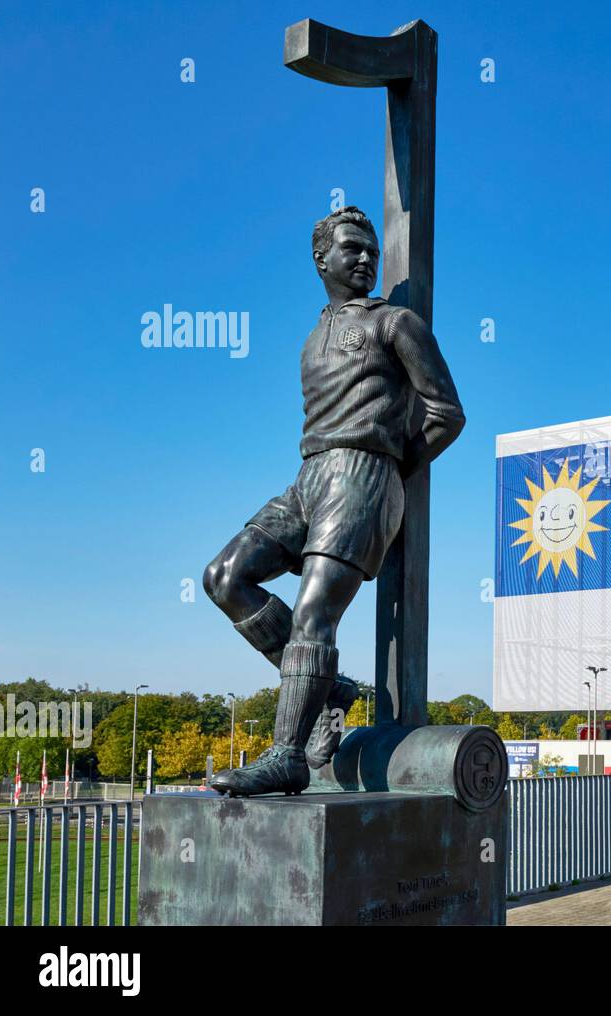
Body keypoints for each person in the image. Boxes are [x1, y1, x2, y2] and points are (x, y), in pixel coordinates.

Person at [202, 206, 464, 796]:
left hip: (362, 475)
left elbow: (446, 414)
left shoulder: (396, 323)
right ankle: (330, 693)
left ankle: (288, 755)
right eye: (353, 248)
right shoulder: (314, 334)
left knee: (313, 615)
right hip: (308, 478)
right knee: (224, 577)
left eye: (372, 248)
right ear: (322, 259)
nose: (367, 257)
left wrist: (391, 467)